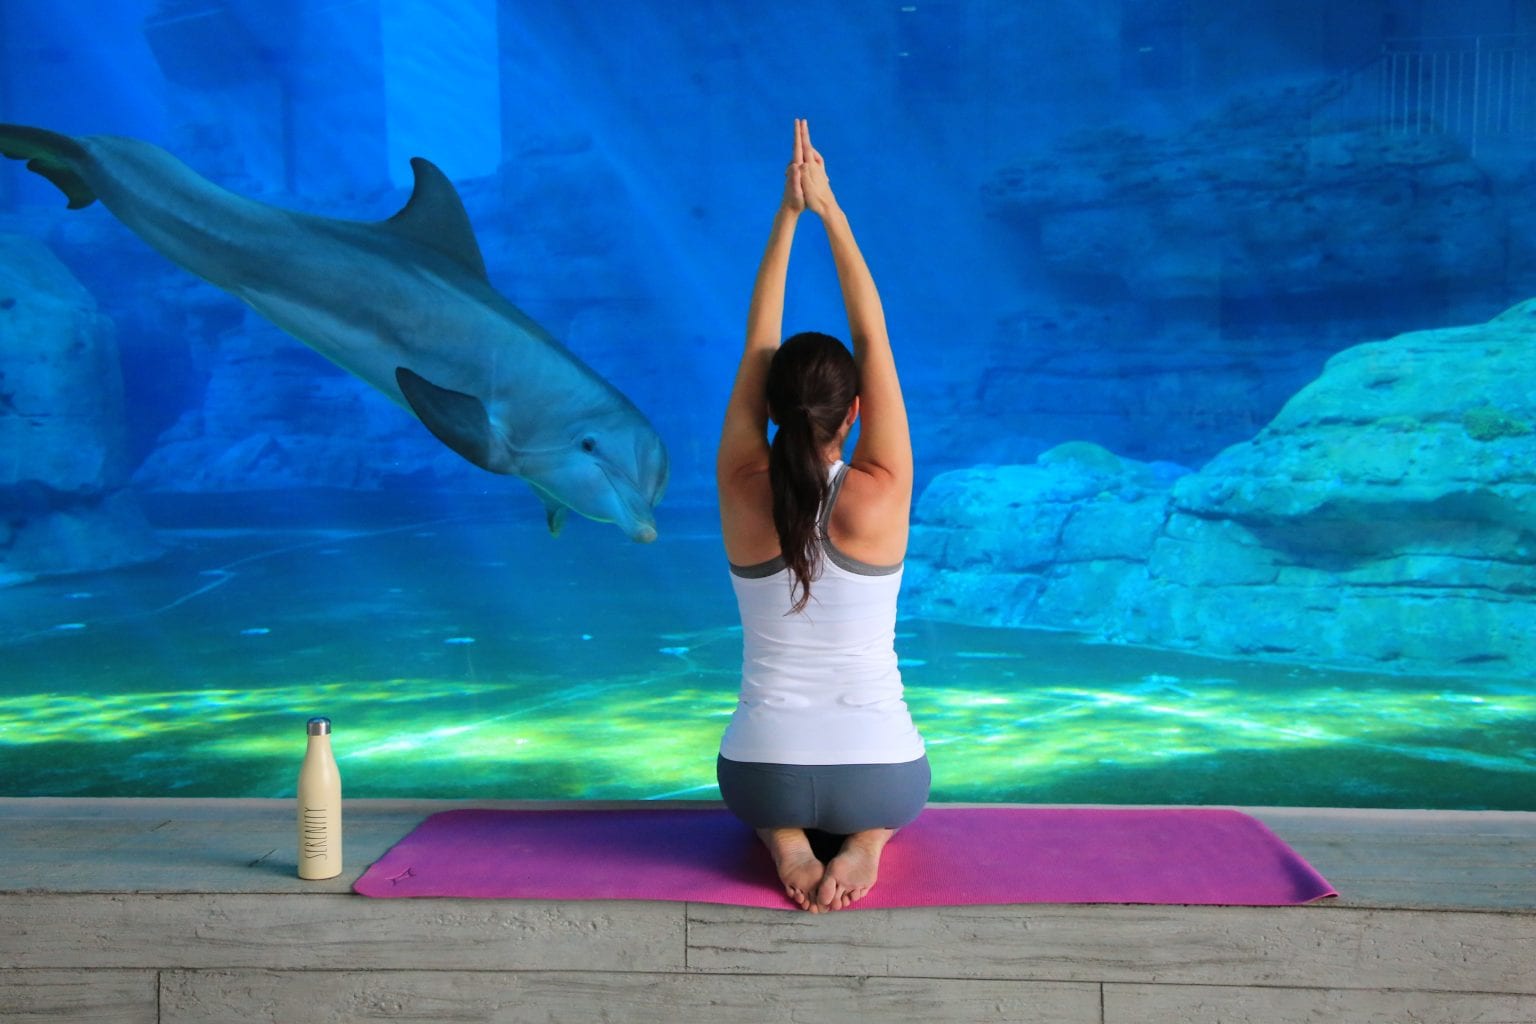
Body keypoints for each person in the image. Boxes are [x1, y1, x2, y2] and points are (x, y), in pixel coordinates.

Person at [715, 119, 929, 913]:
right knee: (889, 802)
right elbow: (873, 337)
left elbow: (757, 343)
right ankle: (865, 843)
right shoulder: (883, 488)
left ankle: (786, 841)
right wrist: (828, 210)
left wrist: (785, 217)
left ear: (769, 411)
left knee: (766, 794)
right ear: (857, 412)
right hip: (884, 780)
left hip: (758, 778)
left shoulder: (741, 485)